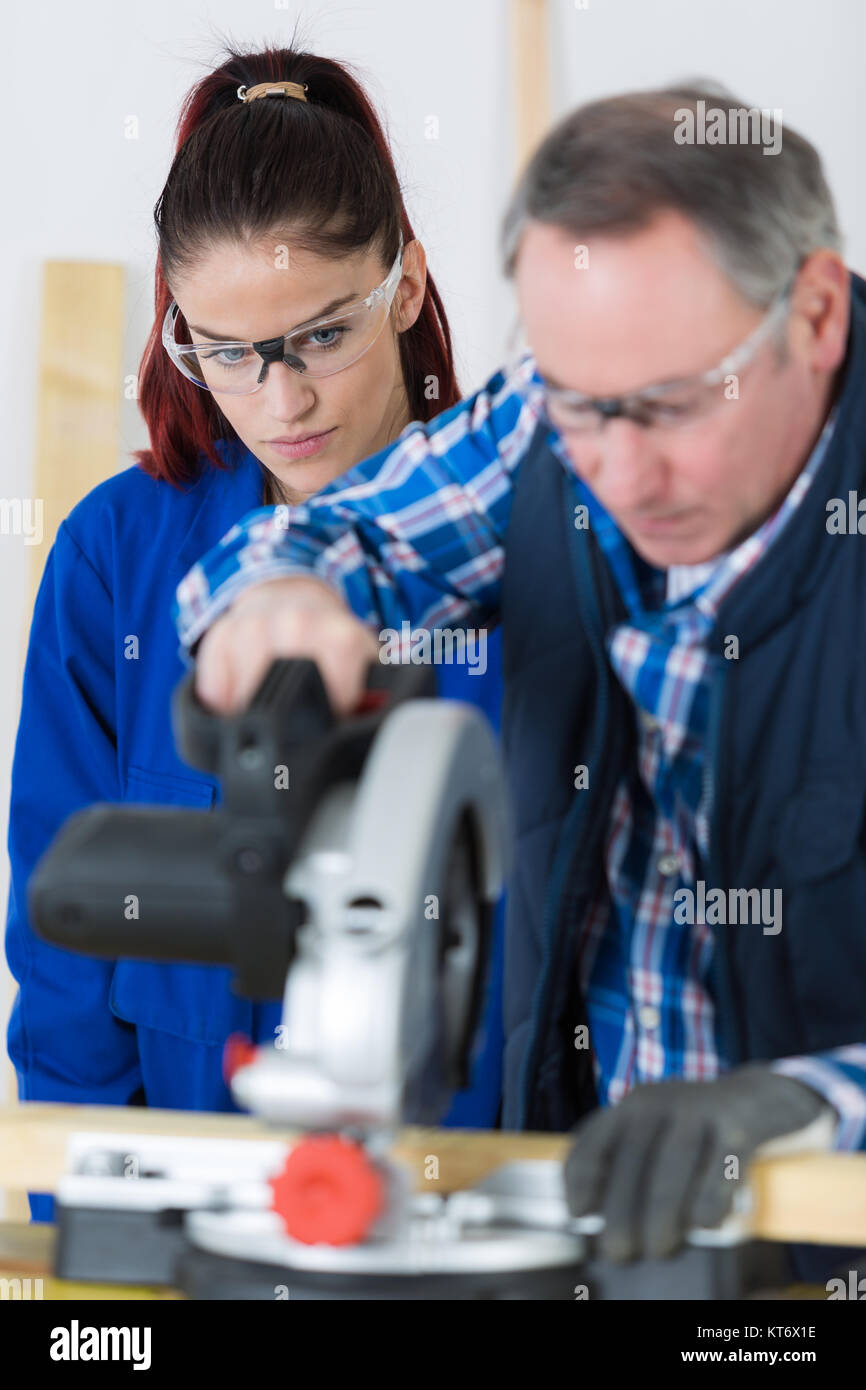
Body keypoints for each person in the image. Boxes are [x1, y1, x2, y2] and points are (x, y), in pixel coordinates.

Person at [173, 83, 866, 1284]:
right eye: (574, 402)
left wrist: (801, 1104)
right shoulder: (556, 424)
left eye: (668, 405)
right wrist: (281, 599)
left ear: (810, 315)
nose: (618, 469)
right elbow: (347, 539)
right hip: (589, 1230)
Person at [4, 43, 505, 1224]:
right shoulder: (116, 556)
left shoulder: (534, 544)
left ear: (409, 285)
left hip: (474, 1219)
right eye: (226, 352)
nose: (283, 401)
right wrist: (96, 1229)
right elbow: (63, 944)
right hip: (193, 1225)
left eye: (322, 335)